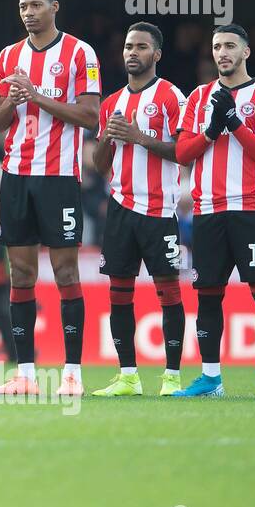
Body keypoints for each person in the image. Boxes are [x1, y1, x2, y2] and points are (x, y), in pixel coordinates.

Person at [0, 0, 101, 397]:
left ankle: (72, 373)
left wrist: (36, 96)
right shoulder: (7, 56)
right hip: (16, 176)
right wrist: (12, 102)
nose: (28, 12)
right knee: (20, 273)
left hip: (58, 178)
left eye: (36, 5)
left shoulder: (79, 53)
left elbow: (91, 116)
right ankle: (27, 375)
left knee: (65, 272)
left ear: (56, 7)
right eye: (23, 6)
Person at [173, 24, 255, 398]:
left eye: (230, 46)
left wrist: (234, 122)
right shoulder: (198, 97)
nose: (222, 52)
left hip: (251, 209)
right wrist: (211, 130)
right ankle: (210, 378)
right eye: (217, 46)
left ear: (246, 52)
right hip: (207, 211)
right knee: (207, 294)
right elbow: (182, 154)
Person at [89, 22, 188, 398]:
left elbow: (183, 152)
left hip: (159, 211)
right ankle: (128, 375)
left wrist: (139, 138)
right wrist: (110, 138)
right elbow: (100, 164)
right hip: (120, 208)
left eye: (141, 47)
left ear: (156, 54)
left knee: (169, 294)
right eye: (129, 46)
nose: (132, 52)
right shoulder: (111, 103)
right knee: (118, 293)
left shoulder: (170, 97)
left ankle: (172, 377)